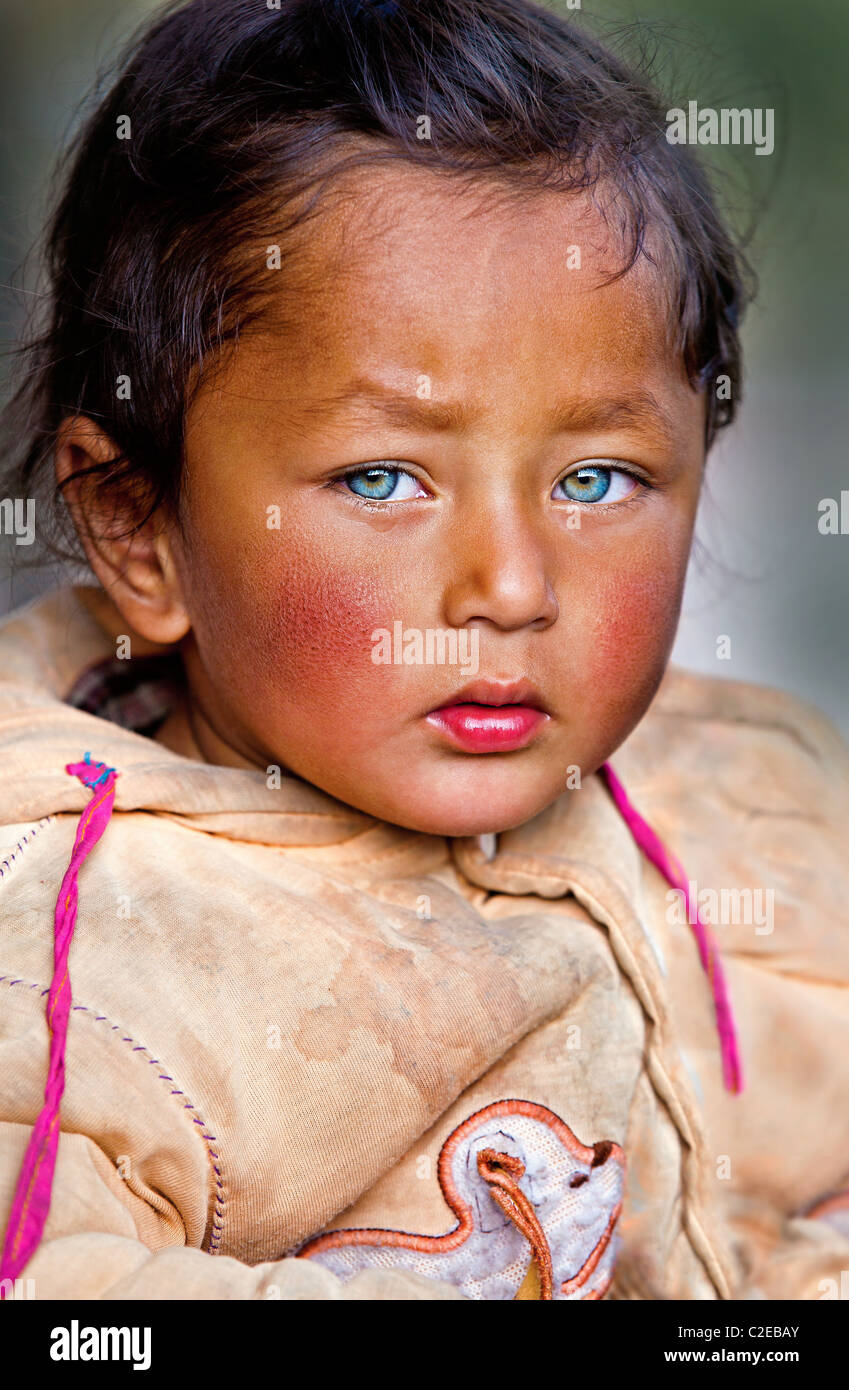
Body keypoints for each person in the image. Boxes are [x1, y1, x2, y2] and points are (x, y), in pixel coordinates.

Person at [0, 0, 847, 1301]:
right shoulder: (75, 953)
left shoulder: (738, 800)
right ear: (141, 528)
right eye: (386, 478)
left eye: (599, 477)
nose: (510, 586)